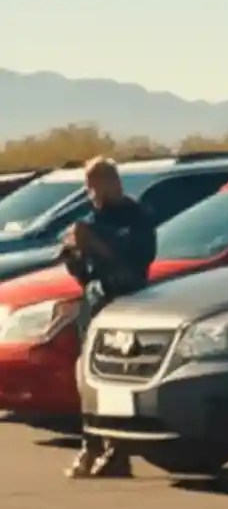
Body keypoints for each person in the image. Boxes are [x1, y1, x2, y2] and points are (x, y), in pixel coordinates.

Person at [61, 156, 156, 479]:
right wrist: (74, 255)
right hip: (95, 304)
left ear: (113, 182)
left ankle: (118, 453)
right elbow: (86, 274)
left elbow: (134, 260)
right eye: (88, 186)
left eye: (96, 184)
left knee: (116, 377)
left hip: (124, 303)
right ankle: (91, 444)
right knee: (86, 377)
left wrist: (96, 243)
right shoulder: (90, 218)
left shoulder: (136, 217)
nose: (91, 192)